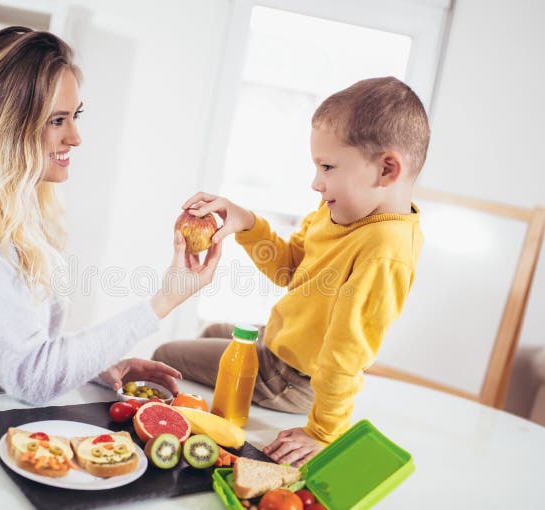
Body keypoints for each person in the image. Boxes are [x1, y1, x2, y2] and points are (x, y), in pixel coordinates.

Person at [0, 27, 221, 408]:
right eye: (57, 120)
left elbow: (17, 342)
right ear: (7, 124)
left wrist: (95, 365)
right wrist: (165, 299)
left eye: (75, 116)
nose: (75, 137)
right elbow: (31, 375)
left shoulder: (14, 204)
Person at [154, 77, 429, 466]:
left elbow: (347, 351)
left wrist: (323, 431)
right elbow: (289, 267)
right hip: (282, 342)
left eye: (328, 167)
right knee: (214, 332)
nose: (316, 183)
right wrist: (247, 223)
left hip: (296, 377)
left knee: (167, 353)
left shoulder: (384, 249)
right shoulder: (337, 210)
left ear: (387, 169)